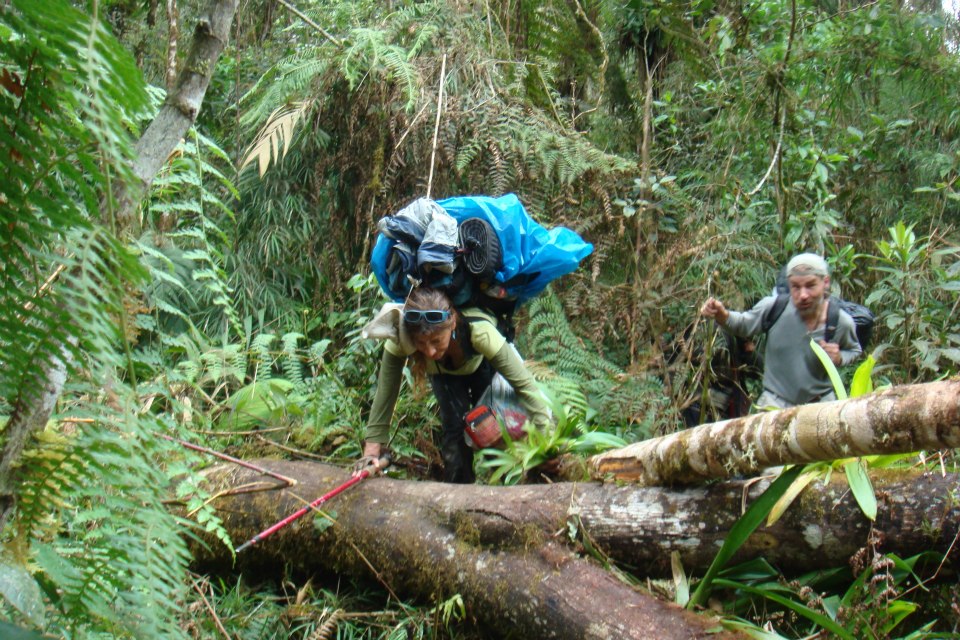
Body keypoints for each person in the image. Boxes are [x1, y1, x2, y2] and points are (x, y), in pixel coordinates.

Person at [353, 286, 551, 483]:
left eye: (436, 341)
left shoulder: (481, 333)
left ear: (452, 322)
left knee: (493, 429)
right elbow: (386, 392)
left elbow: (524, 385)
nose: (430, 352)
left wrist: (547, 443)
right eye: (421, 344)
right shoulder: (401, 337)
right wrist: (371, 451)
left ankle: (510, 487)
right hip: (444, 376)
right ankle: (457, 499)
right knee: (454, 437)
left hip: (482, 366)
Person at [699, 253, 862, 410]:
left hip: (821, 405)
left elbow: (854, 350)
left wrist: (840, 358)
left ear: (825, 282)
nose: (803, 295)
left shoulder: (839, 321)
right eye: (796, 287)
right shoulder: (774, 308)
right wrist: (722, 315)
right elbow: (744, 324)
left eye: (810, 285)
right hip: (774, 403)